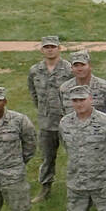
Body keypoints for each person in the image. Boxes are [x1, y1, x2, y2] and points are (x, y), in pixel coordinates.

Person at [27, 34, 73, 202]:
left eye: (53, 46)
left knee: (74, 155)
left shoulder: (69, 69)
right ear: (42, 49)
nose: (50, 49)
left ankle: (76, 188)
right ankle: (45, 188)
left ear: (59, 48)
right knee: (47, 157)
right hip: (46, 122)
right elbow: (33, 93)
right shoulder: (35, 70)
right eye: (47, 47)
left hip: (67, 120)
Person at [61, 50, 106, 119]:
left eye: (83, 65)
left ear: (90, 66)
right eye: (76, 66)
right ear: (71, 68)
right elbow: (62, 113)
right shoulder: (64, 89)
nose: (79, 69)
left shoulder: (105, 88)